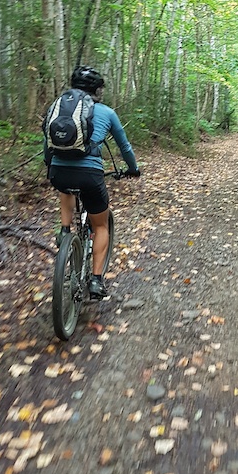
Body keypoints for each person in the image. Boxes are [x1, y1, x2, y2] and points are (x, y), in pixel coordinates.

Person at [44, 65, 141, 299]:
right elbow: (124, 146)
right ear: (97, 90)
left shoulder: (56, 109)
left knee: (65, 188)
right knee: (100, 225)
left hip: (58, 171)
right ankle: (96, 281)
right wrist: (133, 169)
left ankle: (65, 230)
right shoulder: (107, 113)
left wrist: (52, 167)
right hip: (89, 175)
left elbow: (47, 145)